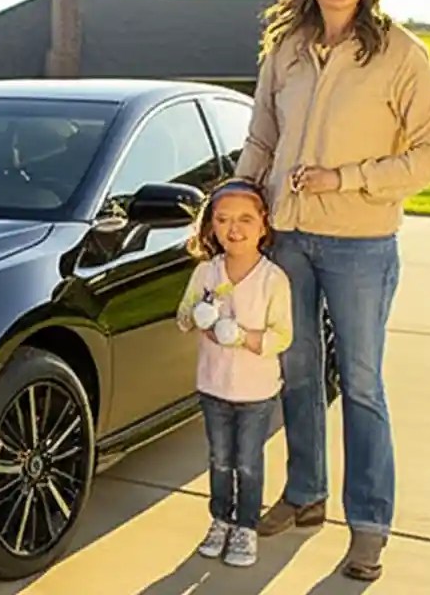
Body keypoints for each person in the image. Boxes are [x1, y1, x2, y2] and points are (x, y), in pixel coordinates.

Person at [234, 0, 430, 581]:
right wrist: (243, 195)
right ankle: (304, 494)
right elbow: (263, 136)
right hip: (289, 238)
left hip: (361, 244)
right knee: (295, 375)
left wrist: (348, 178)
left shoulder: (401, 54)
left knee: (360, 385)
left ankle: (368, 527)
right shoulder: (287, 51)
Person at [176, 178, 293, 568]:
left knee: (247, 461)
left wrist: (242, 336)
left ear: (264, 224)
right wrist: (198, 315)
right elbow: (182, 316)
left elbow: (283, 336)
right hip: (213, 386)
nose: (234, 228)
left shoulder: (273, 280)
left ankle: (246, 526)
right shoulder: (207, 274)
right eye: (223, 219)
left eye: (245, 219)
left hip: (255, 392)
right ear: (211, 226)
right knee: (220, 458)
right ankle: (220, 519)